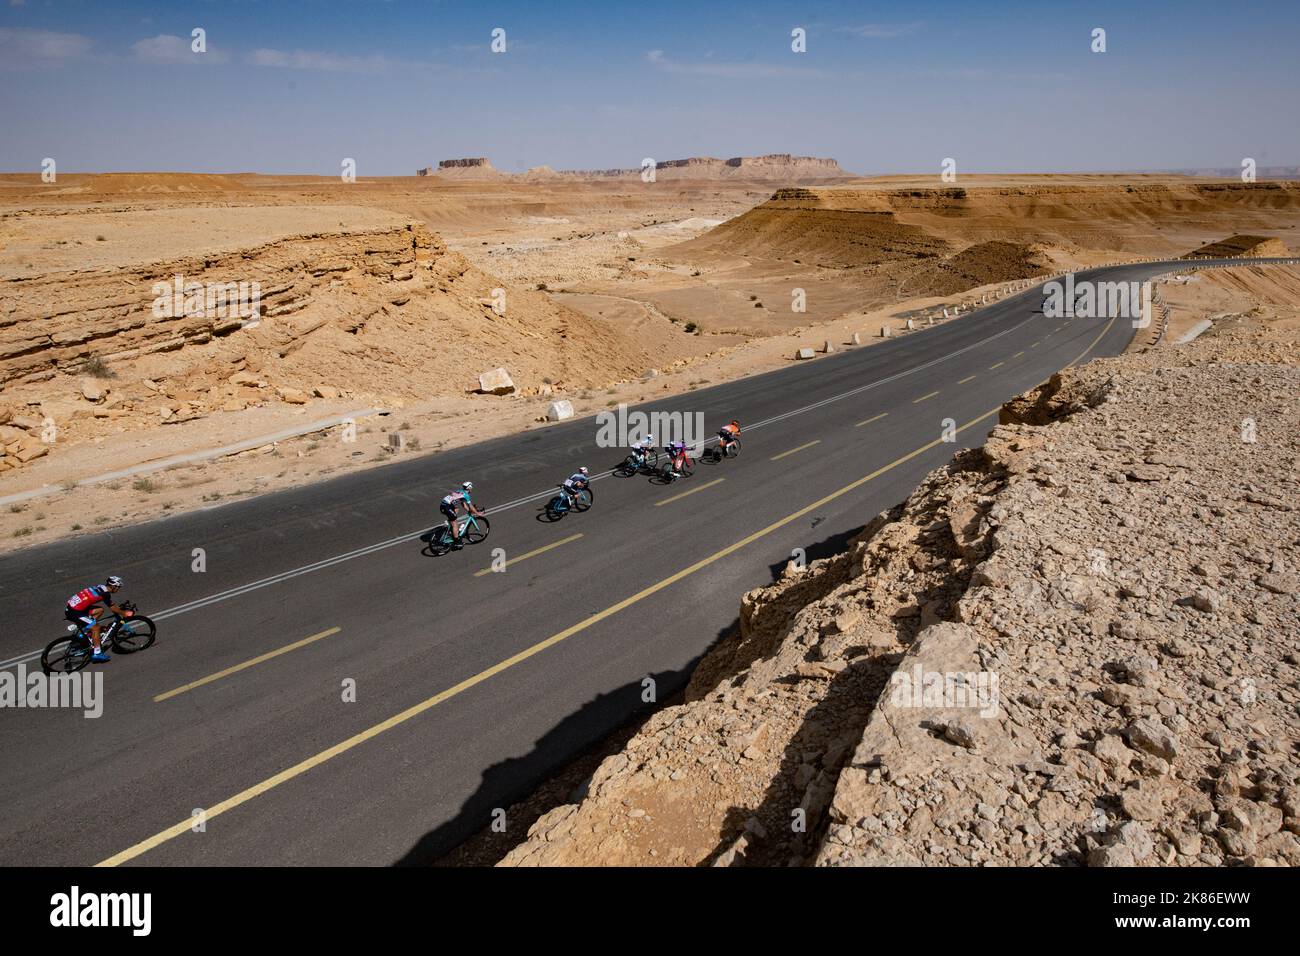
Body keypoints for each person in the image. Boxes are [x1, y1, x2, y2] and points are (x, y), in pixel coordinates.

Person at [65, 576, 126, 663]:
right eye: (118, 587)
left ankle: (85, 631)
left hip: (74, 608)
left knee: (99, 610)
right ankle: (97, 654)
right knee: (96, 627)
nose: (118, 589)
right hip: (75, 612)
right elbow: (113, 608)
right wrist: (125, 613)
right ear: (113, 586)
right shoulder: (105, 594)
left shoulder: (100, 586)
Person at [440, 481, 484, 549]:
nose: (472, 489)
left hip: (445, 504)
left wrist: (469, 511)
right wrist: (478, 513)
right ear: (469, 488)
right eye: (471, 488)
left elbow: (463, 504)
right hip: (446, 506)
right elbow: (471, 506)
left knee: (456, 509)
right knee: (455, 524)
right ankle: (457, 542)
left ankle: (450, 524)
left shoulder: (459, 491)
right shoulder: (466, 495)